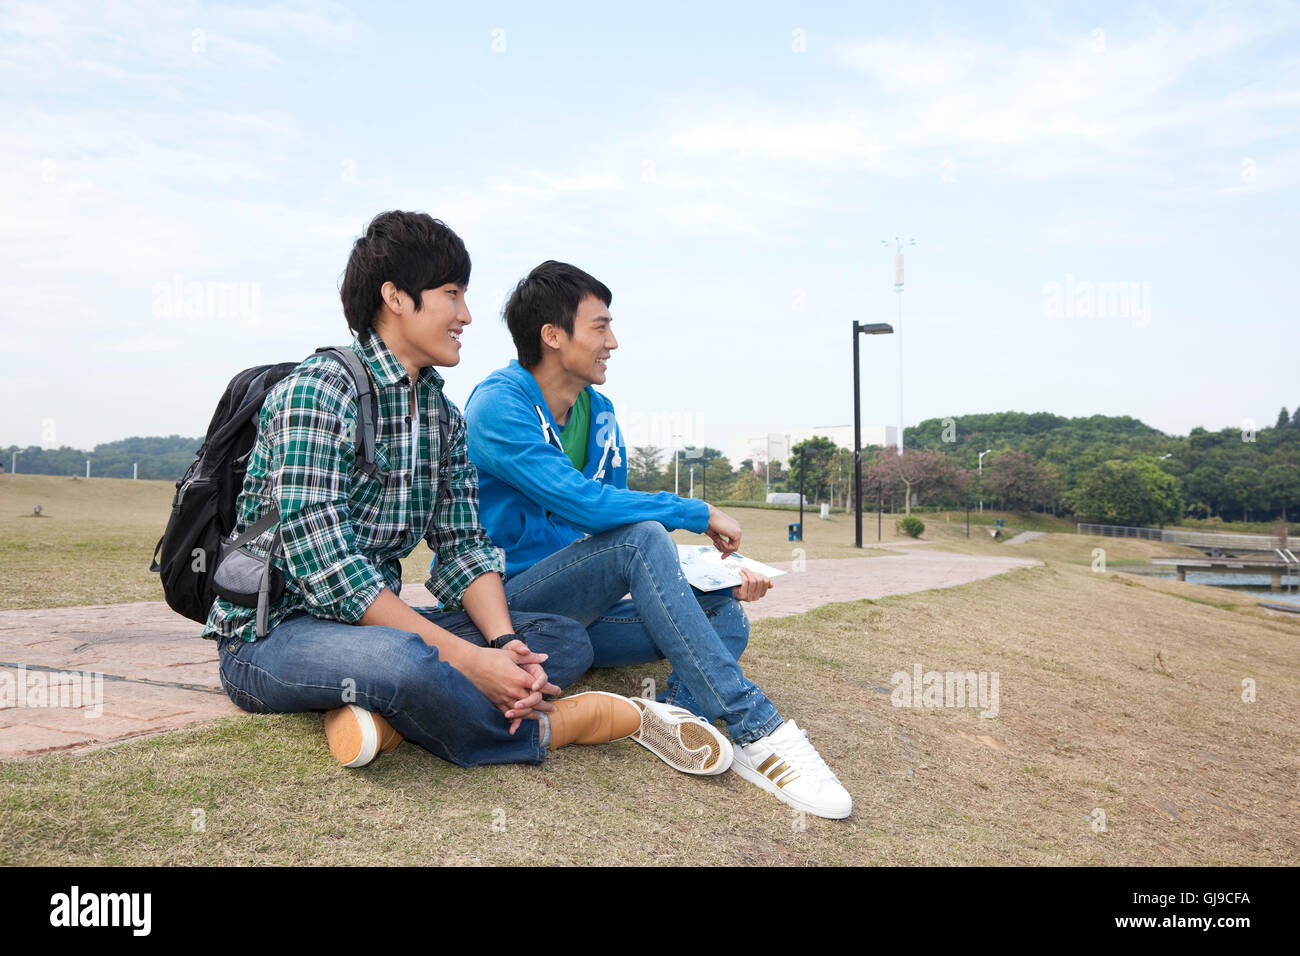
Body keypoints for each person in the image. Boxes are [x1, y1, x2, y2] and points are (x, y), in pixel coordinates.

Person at [202, 213, 731, 774]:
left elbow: (464, 547)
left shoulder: (442, 417)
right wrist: (471, 662)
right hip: (276, 635)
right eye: (452, 295)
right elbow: (331, 571)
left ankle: (377, 716)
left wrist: (501, 646)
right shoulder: (316, 392)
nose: (466, 315)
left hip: (369, 630)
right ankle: (548, 730)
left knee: (559, 638)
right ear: (395, 298)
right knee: (405, 661)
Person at [460, 260, 853, 818]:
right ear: (552, 336)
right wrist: (694, 510)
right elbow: (584, 504)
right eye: (599, 327)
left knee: (724, 615)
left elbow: (611, 520)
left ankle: (667, 716)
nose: (613, 342)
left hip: (582, 611)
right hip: (510, 604)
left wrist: (709, 577)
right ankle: (757, 728)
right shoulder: (499, 404)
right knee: (643, 536)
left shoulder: (601, 413)